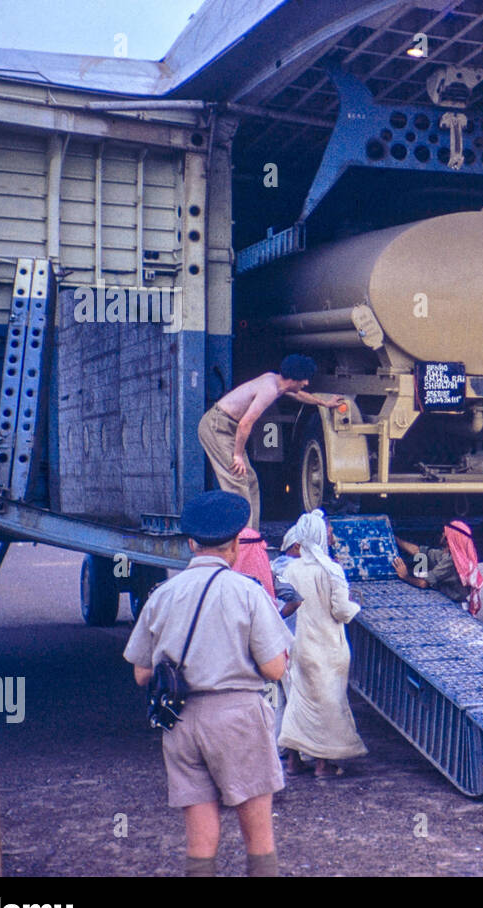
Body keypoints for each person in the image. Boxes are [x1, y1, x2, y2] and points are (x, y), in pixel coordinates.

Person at [123, 491, 290, 877]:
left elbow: (141, 673)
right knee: (259, 840)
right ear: (234, 544)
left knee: (199, 841)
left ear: (191, 544)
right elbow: (274, 670)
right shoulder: (247, 591)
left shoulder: (162, 595)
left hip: (181, 721)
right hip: (237, 720)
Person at [197, 354, 344, 530]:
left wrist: (324, 403)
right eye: (304, 379)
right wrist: (237, 455)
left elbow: (299, 395)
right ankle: (242, 540)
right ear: (293, 378)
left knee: (250, 480)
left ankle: (252, 534)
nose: (306, 383)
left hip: (229, 427)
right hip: (217, 427)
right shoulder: (269, 389)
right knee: (236, 482)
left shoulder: (276, 381)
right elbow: (246, 423)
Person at [276, 510, 368, 780]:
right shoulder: (331, 570)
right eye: (327, 530)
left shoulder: (291, 568)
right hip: (327, 648)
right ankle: (322, 764)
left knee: (299, 704)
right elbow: (340, 611)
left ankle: (293, 761)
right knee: (328, 704)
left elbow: (289, 603)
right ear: (318, 535)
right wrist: (356, 605)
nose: (331, 534)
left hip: (301, 645)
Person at [392, 520, 483, 614]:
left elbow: (423, 583)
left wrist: (405, 576)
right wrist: (395, 539)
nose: (442, 534)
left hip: (455, 607)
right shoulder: (452, 555)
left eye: (445, 533)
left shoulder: (451, 561)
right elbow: (418, 551)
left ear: (450, 538)